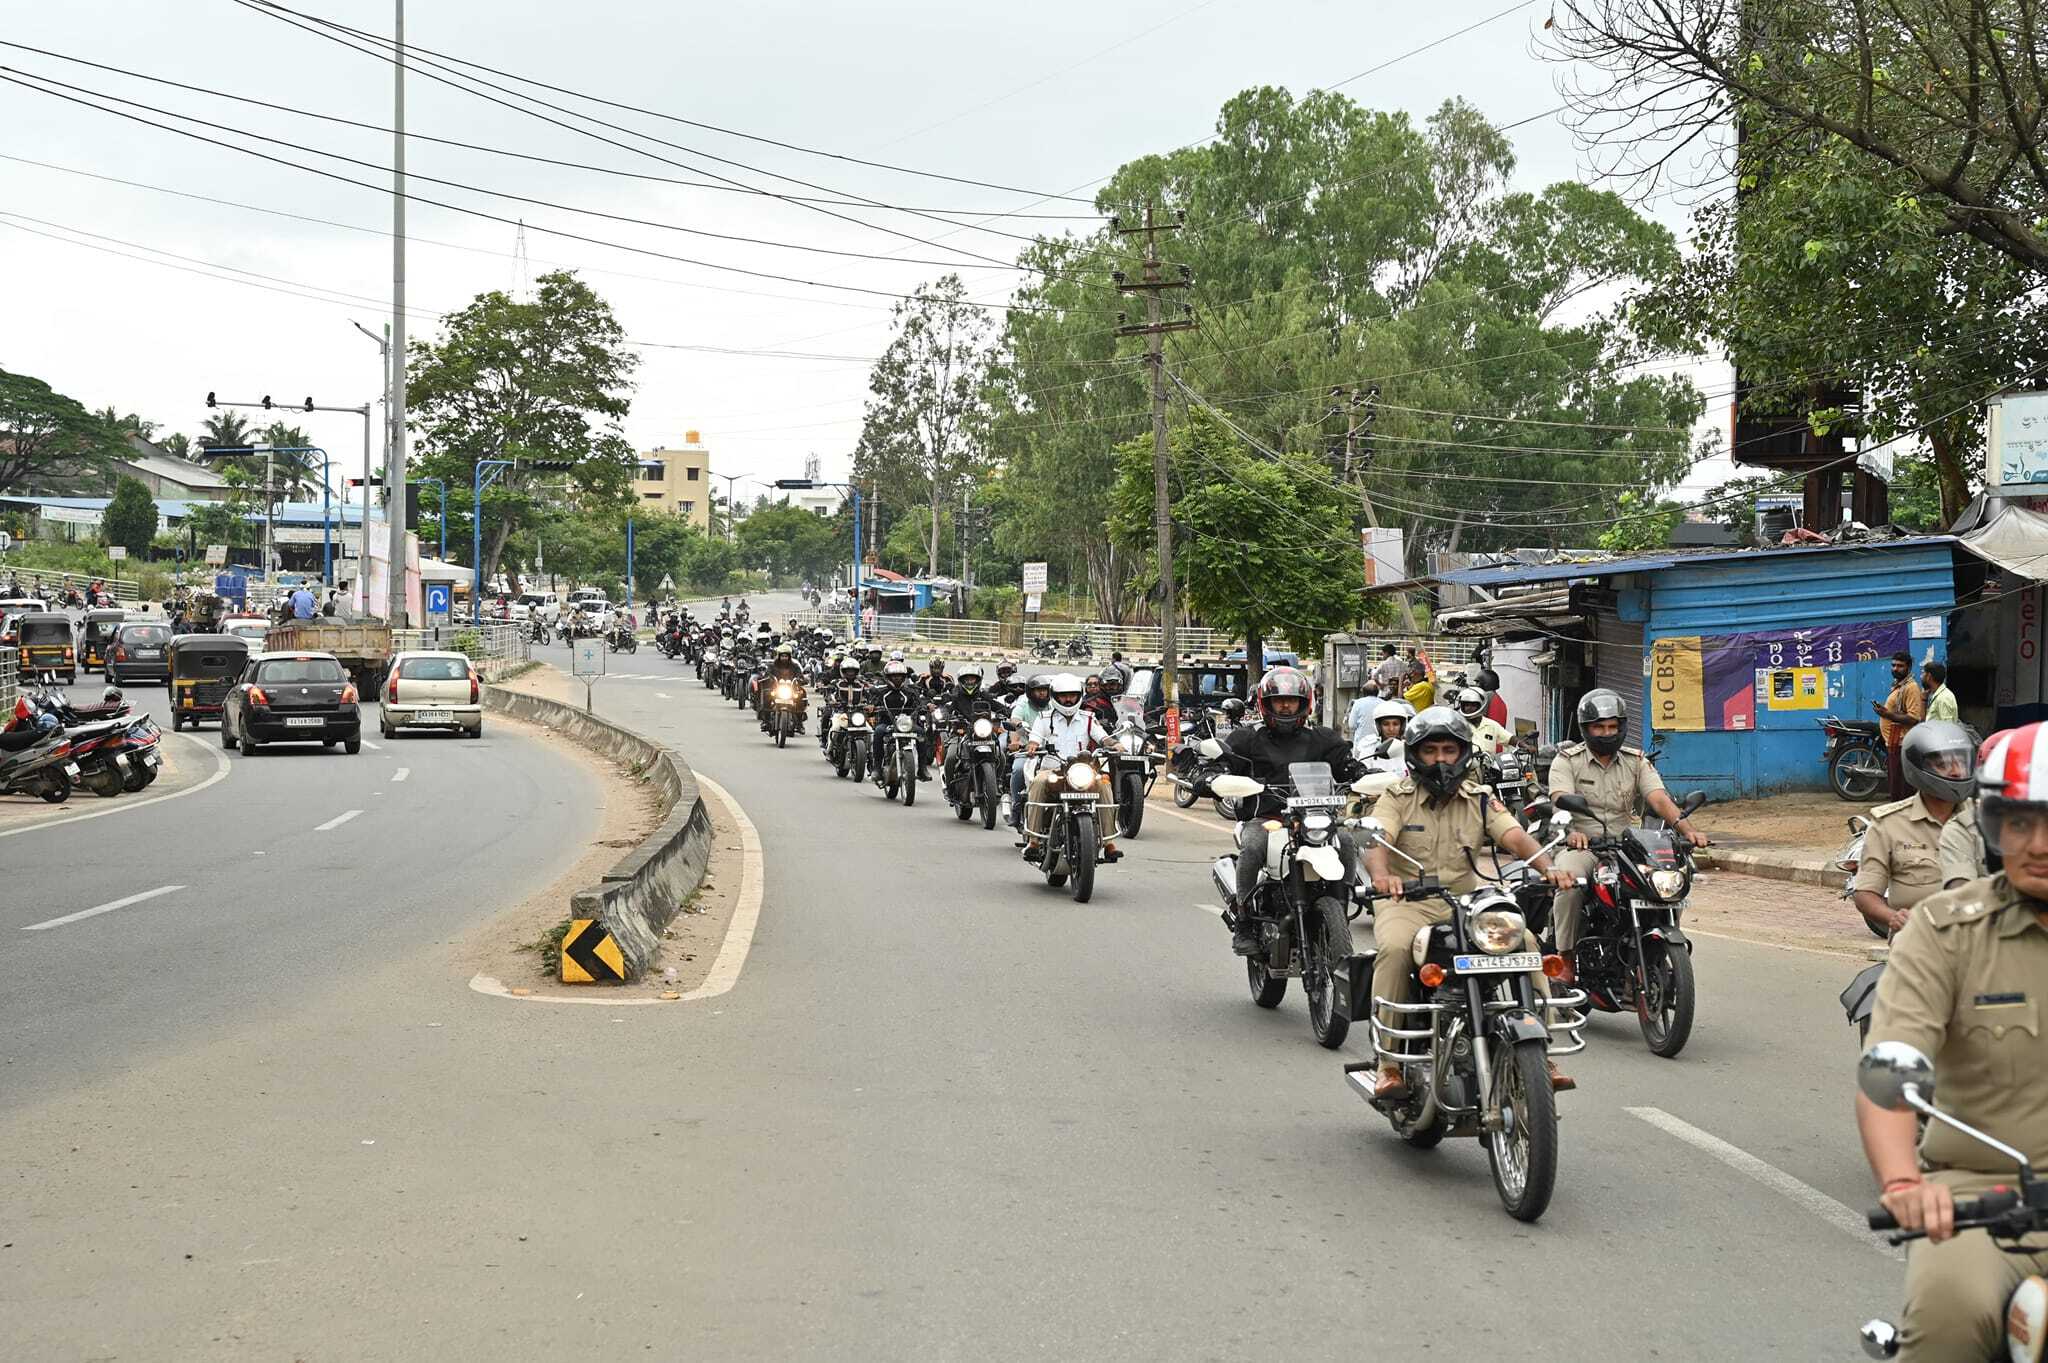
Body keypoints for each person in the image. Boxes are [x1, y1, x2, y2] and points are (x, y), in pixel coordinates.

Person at [1859, 721, 2048, 1362]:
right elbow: (1890, 1065)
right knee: (1951, 1311)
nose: (2037, 844)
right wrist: (1904, 1184)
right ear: (1993, 826)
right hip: (1984, 1193)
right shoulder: (1947, 931)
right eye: (2018, 823)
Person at [1363, 707, 1576, 1097]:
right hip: (1407, 902)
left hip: (1466, 903)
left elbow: (1514, 837)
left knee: (1526, 943)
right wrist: (1382, 876)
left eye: (1449, 750)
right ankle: (1387, 1062)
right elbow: (1378, 842)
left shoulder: (1480, 798)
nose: (1441, 760)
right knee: (1393, 950)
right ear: (1415, 754)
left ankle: (1540, 1051)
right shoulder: (1396, 796)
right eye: (1431, 751)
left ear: (1463, 753)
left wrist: (1549, 868)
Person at [1548, 689, 1710, 981]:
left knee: (1664, 883)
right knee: (1570, 883)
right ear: (1586, 728)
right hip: (1583, 846)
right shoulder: (1568, 760)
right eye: (1599, 727)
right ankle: (1566, 957)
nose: (1607, 733)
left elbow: (1658, 799)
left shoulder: (1636, 761)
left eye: (1613, 726)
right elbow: (1560, 798)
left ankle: (1653, 950)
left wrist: (1688, 830)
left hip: (1625, 847)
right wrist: (1571, 832)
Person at [1218, 667, 1363, 952]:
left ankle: (1340, 908)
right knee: (1253, 846)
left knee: (1346, 840)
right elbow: (1224, 761)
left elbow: (1346, 764)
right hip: (1268, 819)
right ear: (1266, 704)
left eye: (1292, 700)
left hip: (1315, 818)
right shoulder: (1247, 738)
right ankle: (1244, 922)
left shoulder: (1322, 738)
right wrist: (1212, 774)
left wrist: (1361, 772)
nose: (1285, 706)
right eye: (1279, 701)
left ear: (1303, 703)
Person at [1854, 721, 1975, 935]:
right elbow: (1865, 894)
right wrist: (1893, 917)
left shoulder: (1987, 819)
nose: (1957, 771)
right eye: (1944, 764)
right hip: (1916, 944)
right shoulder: (1889, 824)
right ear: (1918, 767)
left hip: (1977, 947)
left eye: (1962, 762)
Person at [1019, 673, 1115, 861]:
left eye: (1072, 695)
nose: (1068, 699)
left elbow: (1103, 737)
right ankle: (1034, 840)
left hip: (1082, 771)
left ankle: (1109, 842)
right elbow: (1035, 739)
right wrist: (1032, 746)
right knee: (1038, 782)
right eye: (1063, 696)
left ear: (1079, 696)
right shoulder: (1044, 718)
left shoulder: (1088, 718)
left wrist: (1115, 744)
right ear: (1055, 696)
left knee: (1104, 783)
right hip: (1053, 771)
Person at [1876, 650, 1928, 800]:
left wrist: (1888, 715)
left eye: (1900, 666)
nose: (1895, 669)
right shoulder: (1899, 686)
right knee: (1896, 786)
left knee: (1902, 790)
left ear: (1908, 667)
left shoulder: (1911, 688)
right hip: (1894, 743)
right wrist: (1885, 712)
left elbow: (1914, 718)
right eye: (1893, 665)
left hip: (1902, 744)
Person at [1006, 673, 1054, 832]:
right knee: (1018, 769)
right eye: (1038, 690)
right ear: (1030, 692)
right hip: (1028, 751)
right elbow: (1014, 722)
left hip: (1051, 752)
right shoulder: (1023, 705)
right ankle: (1016, 807)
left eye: (1044, 690)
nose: (1042, 693)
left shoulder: (1053, 707)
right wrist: (1016, 740)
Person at [1353, 696, 1413, 769]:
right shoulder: (1369, 748)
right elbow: (1362, 770)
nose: (1391, 729)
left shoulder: (1409, 749)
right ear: (1378, 727)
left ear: (1402, 726)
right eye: (1386, 724)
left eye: (1395, 724)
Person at [1452, 686, 1513, 757]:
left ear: (1480, 705)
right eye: (1466, 705)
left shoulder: (1492, 725)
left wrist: (1522, 744)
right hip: (1466, 763)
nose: (1469, 708)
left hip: (1488, 763)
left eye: (1473, 705)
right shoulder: (1457, 724)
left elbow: (1509, 738)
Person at [1923, 659, 1960, 726]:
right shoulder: (1936, 695)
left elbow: (1947, 727)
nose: (1921, 676)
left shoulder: (1943, 698)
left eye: (1923, 673)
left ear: (1929, 676)